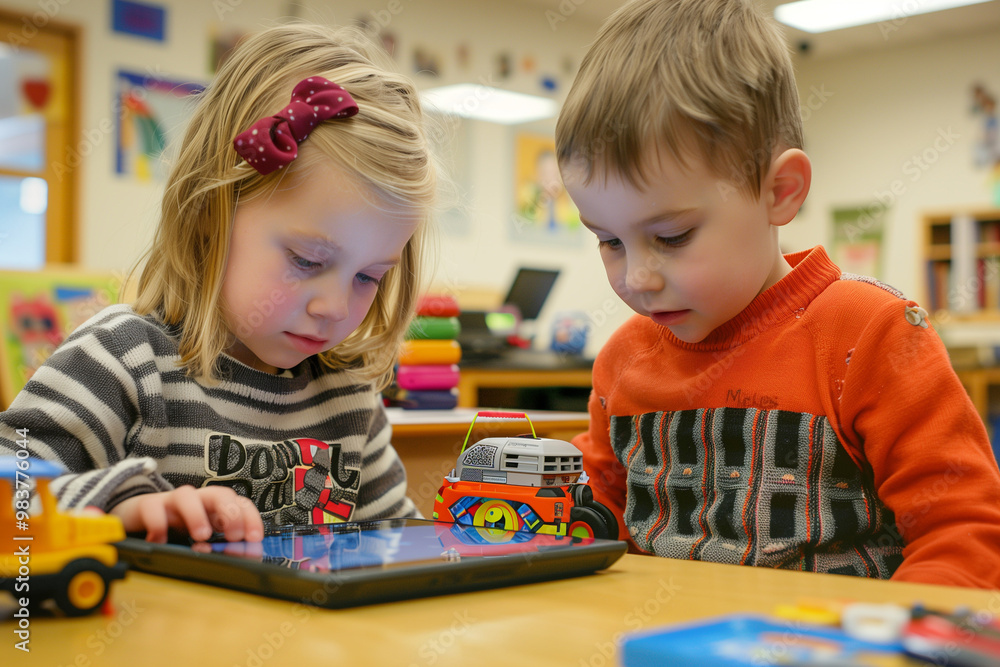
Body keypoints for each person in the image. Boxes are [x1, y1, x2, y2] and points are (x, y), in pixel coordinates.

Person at [556, 0, 1000, 588]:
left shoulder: (870, 335)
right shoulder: (623, 360)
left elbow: (964, 530)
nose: (636, 277)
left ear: (780, 192)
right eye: (609, 241)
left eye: (671, 236)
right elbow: (593, 516)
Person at [0, 23, 437, 543]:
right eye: (305, 259)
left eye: (369, 276)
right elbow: (11, 491)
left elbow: (397, 546)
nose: (334, 307)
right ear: (213, 212)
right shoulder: (122, 360)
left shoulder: (349, 395)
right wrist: (118, 501)